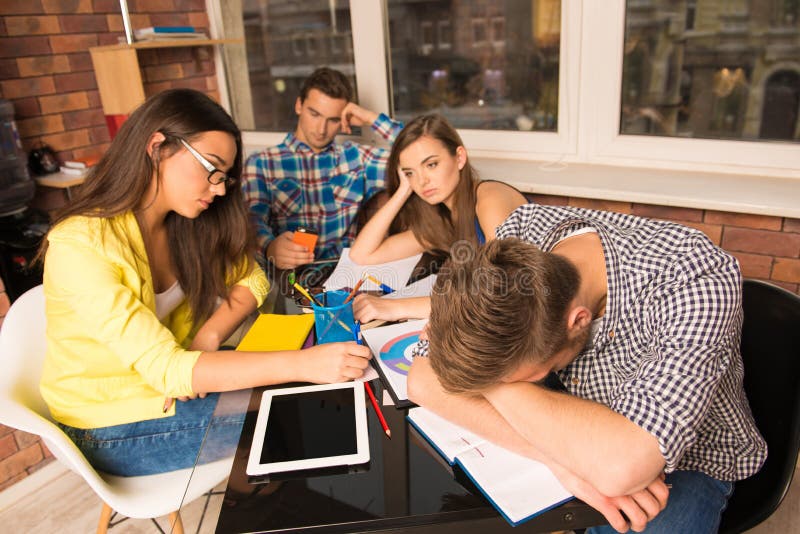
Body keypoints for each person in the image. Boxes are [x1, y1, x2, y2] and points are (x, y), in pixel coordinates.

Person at [39, 89, 372, 477]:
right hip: (105, 423)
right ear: (157, 147)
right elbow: (168, 368)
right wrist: (303, 364)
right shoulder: (80, 244)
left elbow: (251, 276)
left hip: (174, 384)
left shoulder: (180, 225)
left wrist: (210, 335)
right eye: (211, 168)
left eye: (225, 176)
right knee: (297, 414)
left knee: (313, 394)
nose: (219, 188)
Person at [407, 204, 767, 533]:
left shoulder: (694, 276)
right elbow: (422, 379)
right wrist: (563, 462)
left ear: (579, 321)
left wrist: (492, 385)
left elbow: (622, 467)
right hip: (577, 434)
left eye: (517, 379)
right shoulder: (519, 236)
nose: (502, 383)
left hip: (689, 460)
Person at [348, 113, 526, 322]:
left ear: (459, 158)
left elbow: (501, 291)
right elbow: (362, 255)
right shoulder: (441, 222)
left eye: (431, 164)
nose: (422, 181)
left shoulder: (491, 197)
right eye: (410, 172)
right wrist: (403, 191)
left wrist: (394, 307)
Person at [243, 67, 404, 270]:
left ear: (344, 119)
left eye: (333, 120)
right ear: (299, 105)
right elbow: (252, 220)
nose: (321, 129)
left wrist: (370, 118)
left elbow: (421, 153)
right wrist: (269, 247)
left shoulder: (357, 158)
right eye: (315, 114)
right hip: (292, 277)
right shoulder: (261, 163)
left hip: (346, 275)